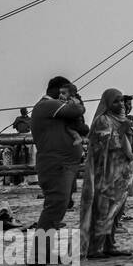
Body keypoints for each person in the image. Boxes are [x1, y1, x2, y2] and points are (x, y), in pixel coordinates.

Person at [79, 88, 133, 260]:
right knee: (104, 211)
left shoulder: (122, 119)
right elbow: (102, 146)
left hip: (123, 175)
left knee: (117, 211)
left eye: (121, 100)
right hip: (107, 175)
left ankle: (109, 244)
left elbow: (131, 145)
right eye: (116, 101)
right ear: (107, 103)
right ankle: (94, 248)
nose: (120, 104)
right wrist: (122, 131)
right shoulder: (103, 120)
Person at [30, 76, 88, 232]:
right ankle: (42, 253)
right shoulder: (47, 105)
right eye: (65, 91)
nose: (67, 95)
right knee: (55, 206)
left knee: (59, 206)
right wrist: (77, 100)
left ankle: (44, 251)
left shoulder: (53, 107)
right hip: (56, 165)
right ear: (58, 89)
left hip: (63, 165)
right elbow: (77, 110)